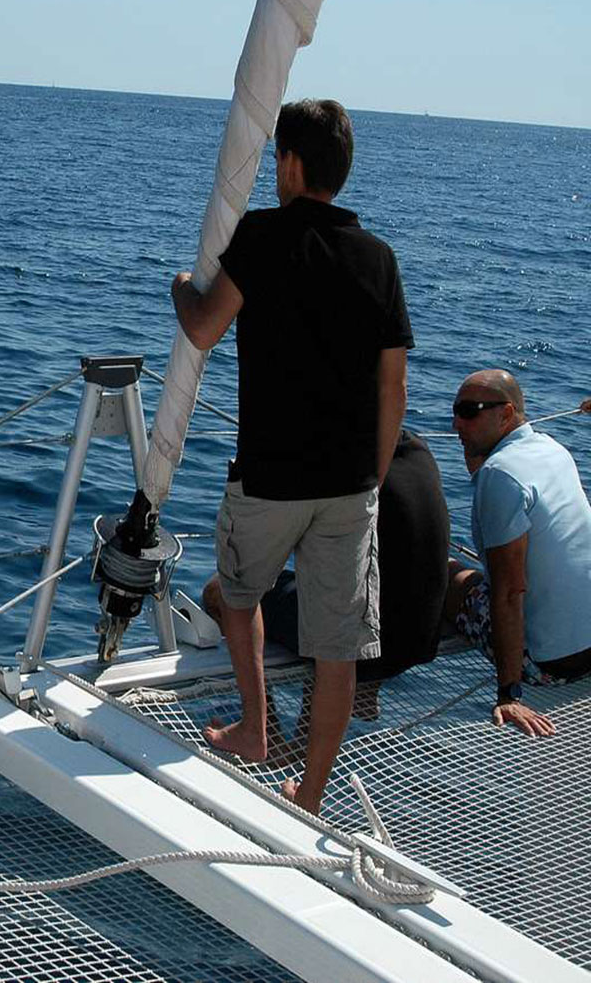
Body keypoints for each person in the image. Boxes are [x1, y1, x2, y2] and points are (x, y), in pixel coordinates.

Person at [170, 98, 413, 815]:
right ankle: (308, 792)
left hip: (270, 474)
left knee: (239, 596)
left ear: (291, 163)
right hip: (350, 483)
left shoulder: (261, 237)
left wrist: (182, 291)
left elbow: (207, 329)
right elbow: (393, 387)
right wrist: (368, 475)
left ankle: (253, 727)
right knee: (337, 647)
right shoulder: (379, 258)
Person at [200, 431, 449, 758]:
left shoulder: (338, 460)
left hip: (370, 643)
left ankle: (264, 732)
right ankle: (349, 702)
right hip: (418, 640)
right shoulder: (417, 452)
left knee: (222, 591)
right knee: (336, 585)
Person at [444, 370, 591, 735]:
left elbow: (509, 592)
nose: (456, 422)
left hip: (548, 667)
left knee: (442, 573)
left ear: (507, 413)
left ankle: (367, 682)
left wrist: (508, 692)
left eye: (469, 411)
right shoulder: (552, 449)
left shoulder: (501, 475)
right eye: (456, 411)